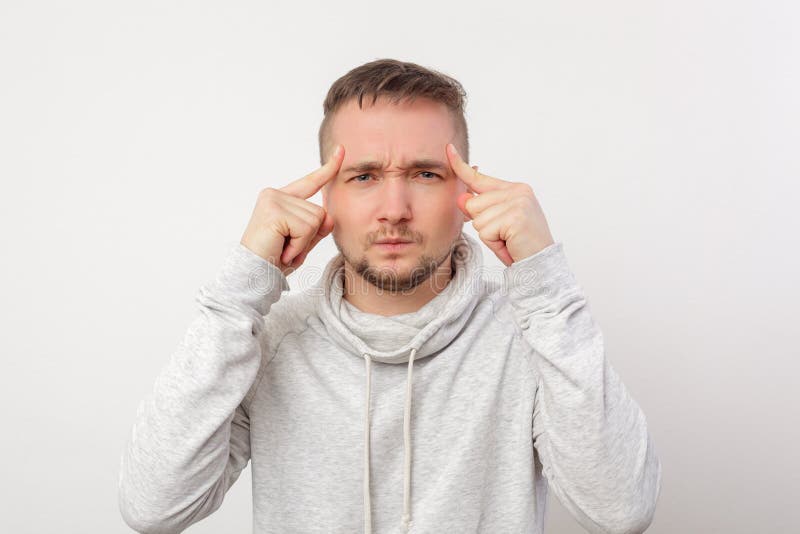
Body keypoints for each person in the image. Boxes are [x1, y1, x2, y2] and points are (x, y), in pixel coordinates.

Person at [118, 58, 662, 534]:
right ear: (325, 196)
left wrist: (545, 280)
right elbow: (153, 509)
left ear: (468, 190)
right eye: (364, 176)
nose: (394, 210)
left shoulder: (531, 331)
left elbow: (621, 511)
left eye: (425, 174)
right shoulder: (267, 339)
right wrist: (242, 286)